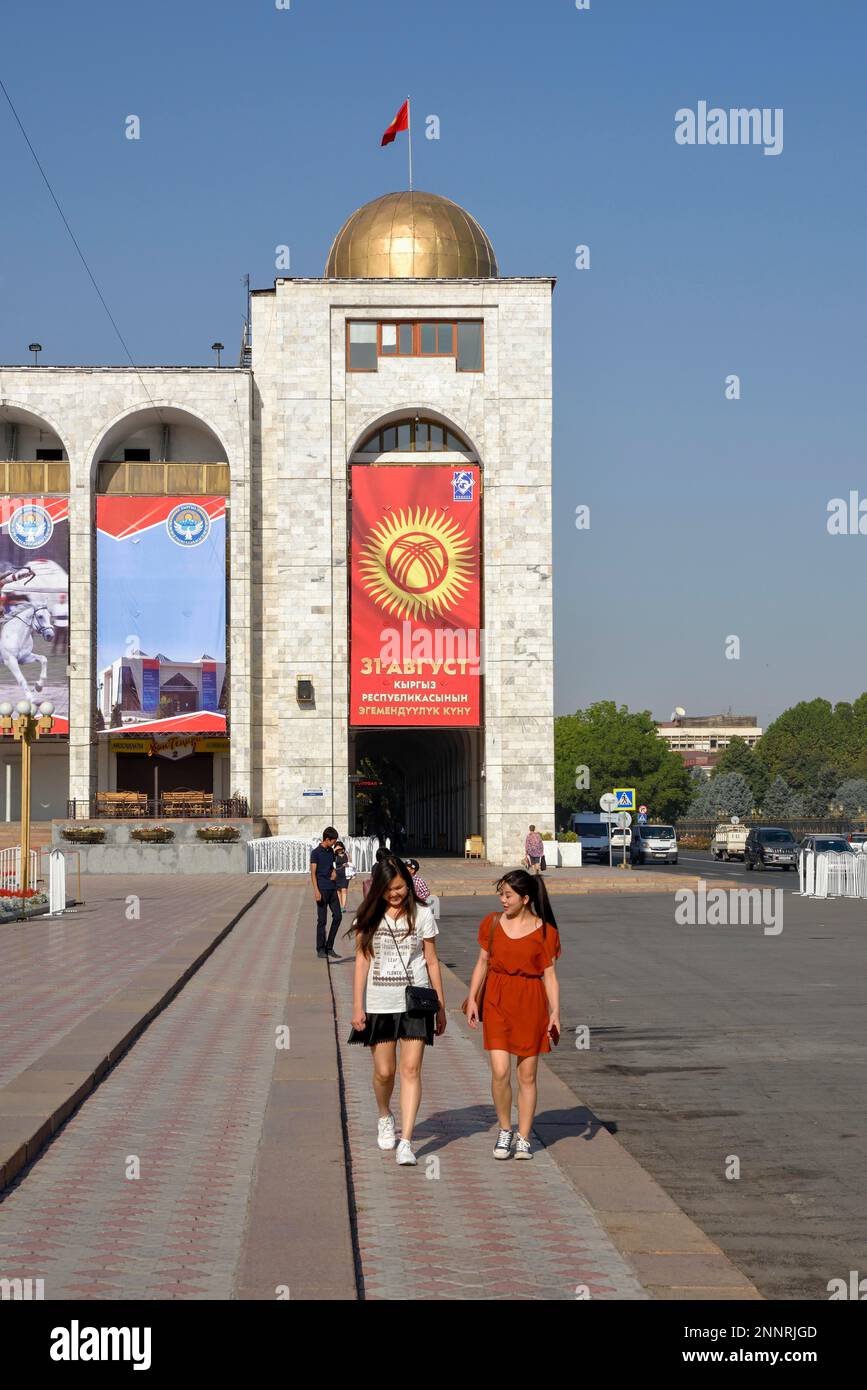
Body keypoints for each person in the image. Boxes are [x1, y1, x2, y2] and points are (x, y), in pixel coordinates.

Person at [347, 856, 446, 1166]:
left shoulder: (423, 914)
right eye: (389, 889)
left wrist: (440, 1006)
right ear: (379, 888)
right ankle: (384, 1115)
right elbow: (362, 960)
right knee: (384, 1072)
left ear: (409, 884)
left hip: (415, 1002)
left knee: (411, 1070)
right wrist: (358, 1005)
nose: (395, 894)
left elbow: (431, 961)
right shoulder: (369, 916)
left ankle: (407, 1141)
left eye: (401, 887)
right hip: (379, 1003)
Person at [464, 868, 561, 1161]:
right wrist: (472, 998)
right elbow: (482, 962)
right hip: (496, 999)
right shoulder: (492, 923)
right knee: (500, 1071)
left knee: (527, 1075)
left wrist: (555, 1012)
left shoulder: (545, 931)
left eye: (508, 895)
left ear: (525, 898)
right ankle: (505, 1129)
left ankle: (524, 1137)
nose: (503, 900)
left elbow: (550, 976)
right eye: (501, 895)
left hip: (530, 1002)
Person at [310, 826, 342, 959]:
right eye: (333, 841)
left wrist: (334, 873)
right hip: (322, 889)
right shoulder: (315, 853)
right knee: (322, 920)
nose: (335, 843)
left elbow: (331, 867)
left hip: (332, 889)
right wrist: (316, 891)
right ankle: (320, 948)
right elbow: (313, 873)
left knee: (338, 916)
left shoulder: (330, 852)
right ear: (327, 839)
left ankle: (329, 946)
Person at [333, 840, 355, 910]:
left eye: (340, 849)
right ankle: (340, 906)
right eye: (337, 849)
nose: (339, 850)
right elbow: (329, 860)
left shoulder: (347, 854)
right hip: (337, 875)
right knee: (338, 891)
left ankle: (343, 907)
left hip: (345, 875)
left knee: (344, 890)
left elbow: (351, 863)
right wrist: (334, 850)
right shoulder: (334, 856)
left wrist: (348, 865)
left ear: (343, 848)